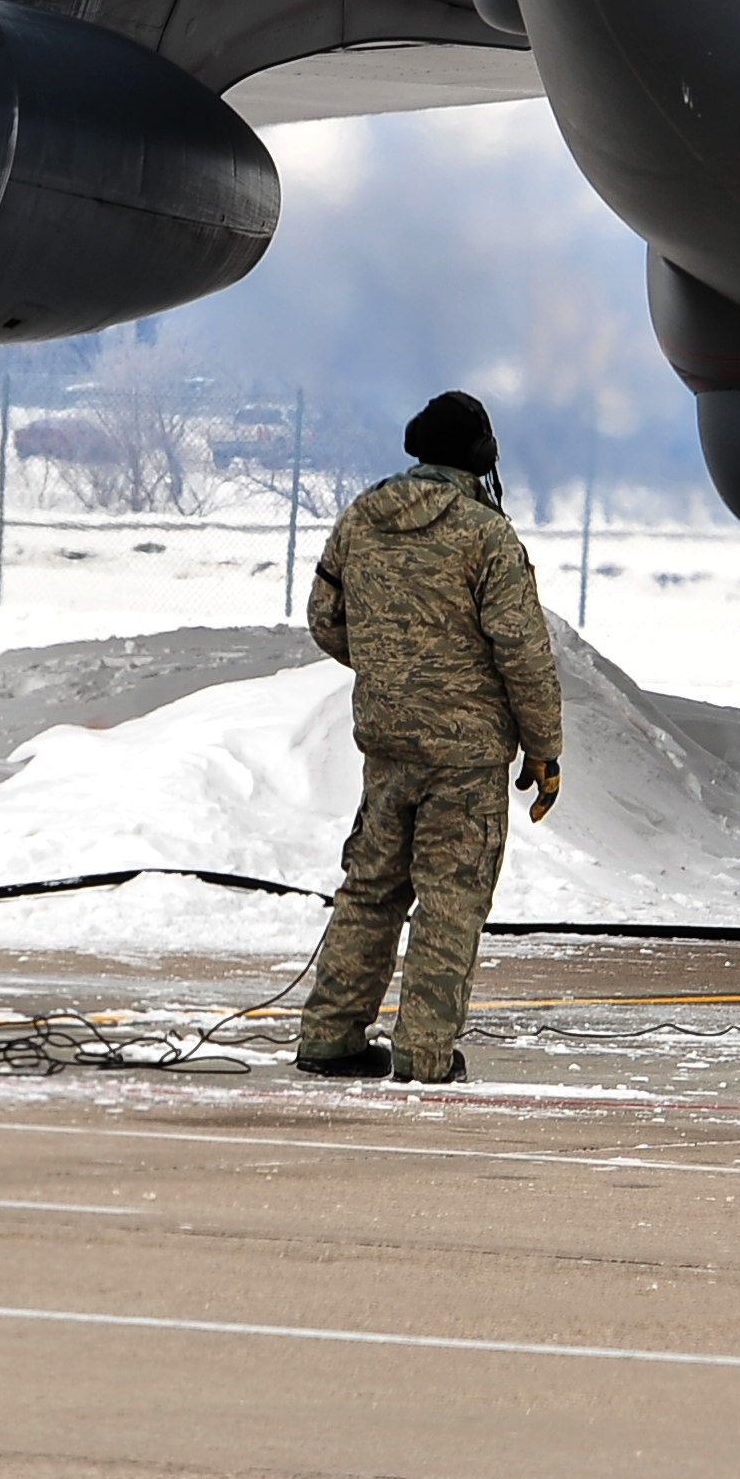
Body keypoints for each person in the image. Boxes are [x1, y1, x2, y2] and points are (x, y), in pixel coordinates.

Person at [296, 391, 563, 1085]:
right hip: (466, 754)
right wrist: (545, 746)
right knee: (451, 898)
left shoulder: (363, 516)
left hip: (387, 743)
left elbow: (325, 617)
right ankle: (423, 1053)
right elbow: (523, 652)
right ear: (480, 456)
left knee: (371, 888)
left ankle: (329, 1036)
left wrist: (393, 668)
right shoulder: (486, 535)